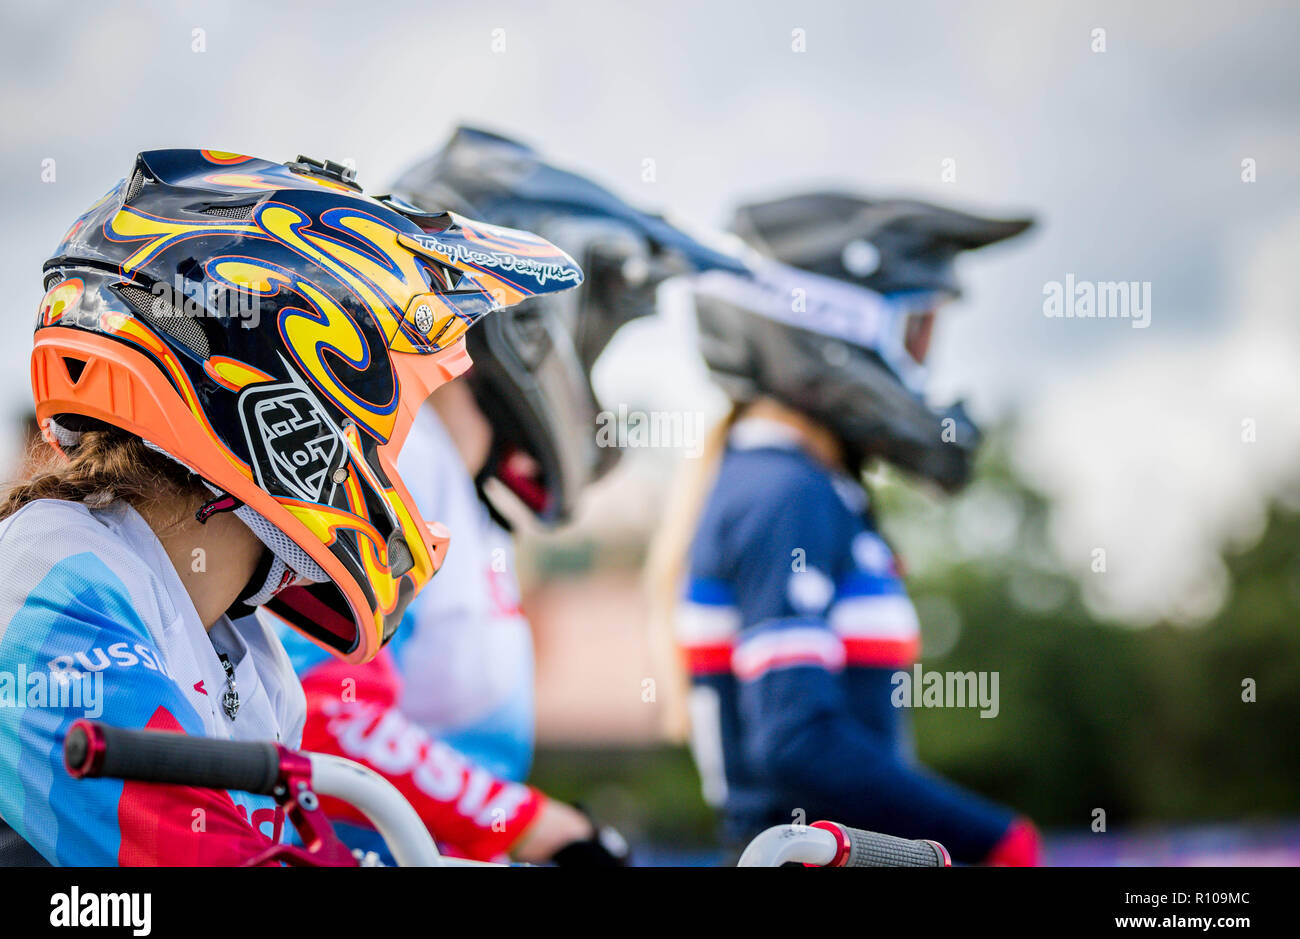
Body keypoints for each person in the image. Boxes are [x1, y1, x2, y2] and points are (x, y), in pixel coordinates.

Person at [0, 148, 579, 866]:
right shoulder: (50, 576)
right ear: (289, 399)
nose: (396, 454)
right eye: (397, 415)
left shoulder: (246, 652)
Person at [281, 127, 743, 863]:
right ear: (526, 326)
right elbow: (330, 720)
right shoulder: (398, 457)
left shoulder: (462, 488)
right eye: (585, 340)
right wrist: (539, 825)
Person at [650, 191, 1042, 865]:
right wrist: (994, 839)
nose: (921, 366)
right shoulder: (784, 493)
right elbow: (796, 741)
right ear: (830, 331)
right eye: (911, 330)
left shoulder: (794, 484)